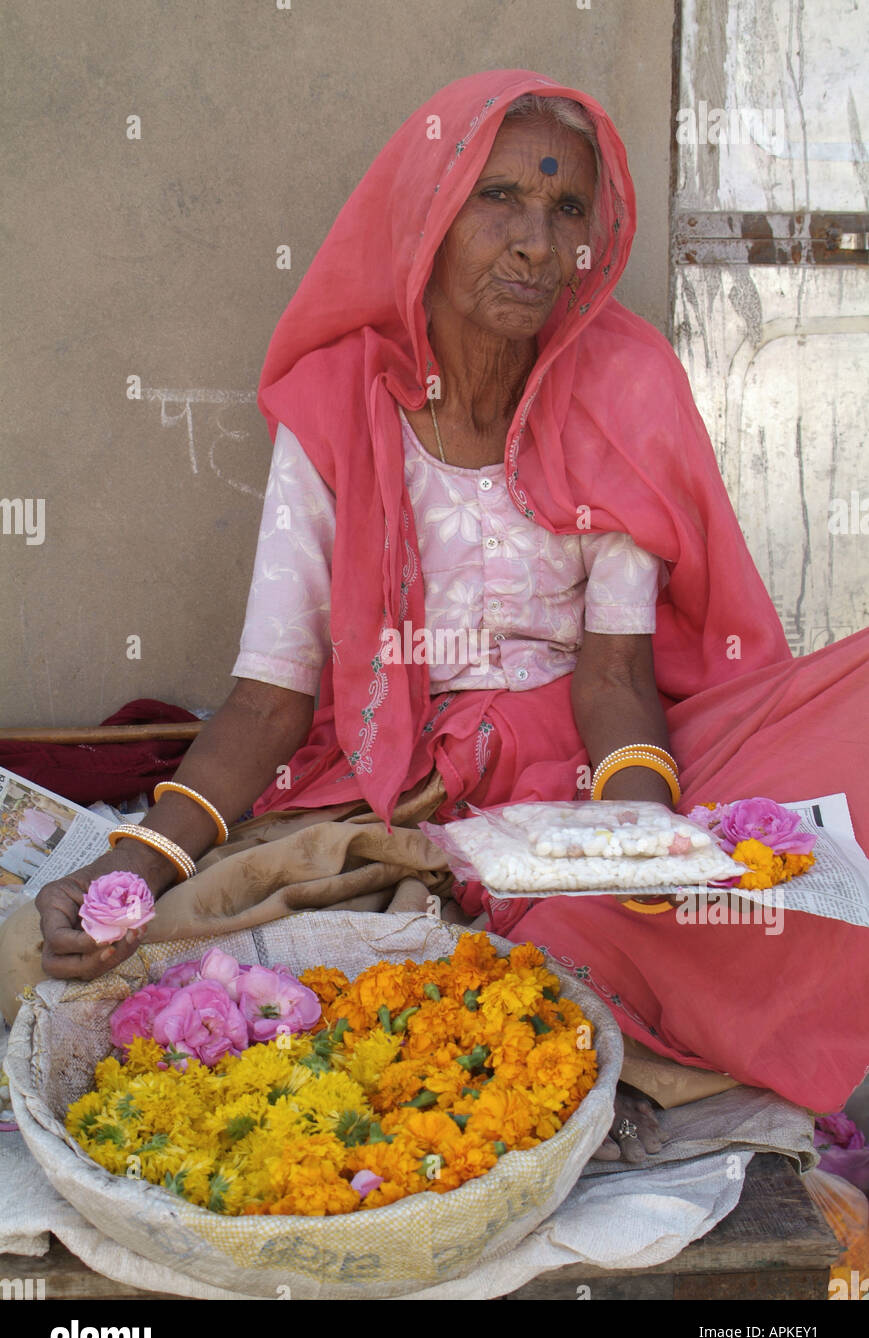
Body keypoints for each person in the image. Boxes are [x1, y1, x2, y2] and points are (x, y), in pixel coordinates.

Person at [2, 71, 867, 1154]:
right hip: (398, 775)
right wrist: (138, 857)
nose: (533, 244)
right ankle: (571, 964)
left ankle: (592, 940)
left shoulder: (620, 385)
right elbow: (270, 698)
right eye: (496, 198)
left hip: (591, 763)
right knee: (69, 969)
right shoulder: (335, 404)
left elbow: (614, 678)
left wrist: (634, 836)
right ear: (429, 215)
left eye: (563, 211)